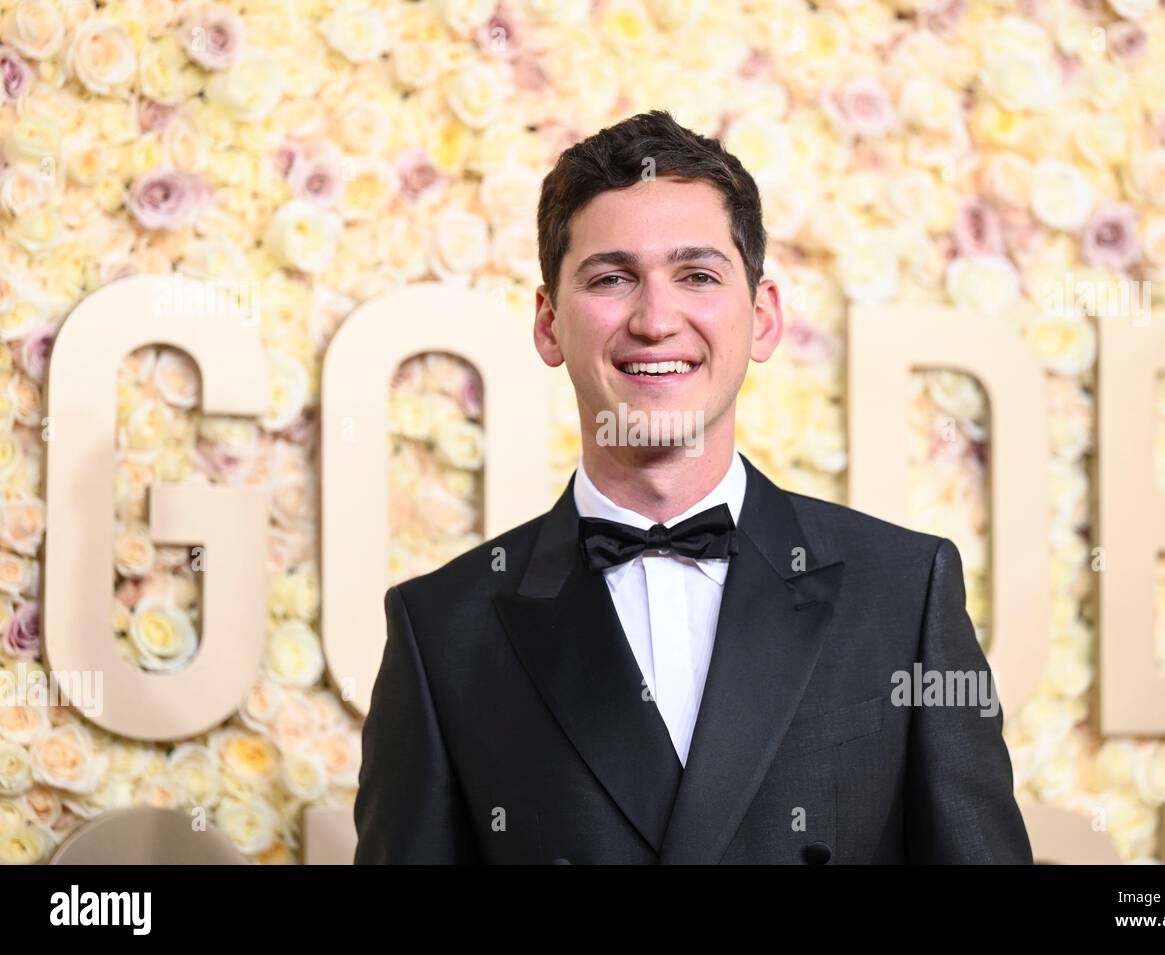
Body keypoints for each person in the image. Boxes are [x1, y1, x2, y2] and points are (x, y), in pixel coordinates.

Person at [354, 110, 1032, 864]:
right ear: (548, 324)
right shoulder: (443, 630)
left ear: (763, 316)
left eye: (698, 275)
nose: (655, 319)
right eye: (612, 278)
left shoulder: (903, 593)